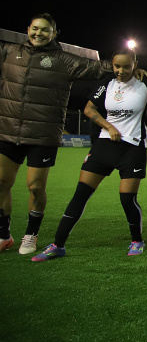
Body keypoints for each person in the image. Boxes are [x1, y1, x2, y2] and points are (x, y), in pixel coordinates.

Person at [0, 14, 117, 255]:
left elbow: (97, 67)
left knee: (34, 186)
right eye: (35, 29)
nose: (38, 34)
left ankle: (30, 235)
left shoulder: (64, 60)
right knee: (1, 183)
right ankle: (3, 234)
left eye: (45, 30)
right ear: (28, 29)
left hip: (42, 134)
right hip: (8, 130)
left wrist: (126, 66)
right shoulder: (10, 51)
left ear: (54, 34)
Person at [31, 49, 147, 260]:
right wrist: (109, 127)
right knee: (80, 195)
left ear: (134, 64)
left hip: (132, 147)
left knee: (127, 198)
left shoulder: (145, 81)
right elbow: (89, 110)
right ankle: (57, 245)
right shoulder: (106, 84)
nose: (120, 70)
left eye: (126, 66)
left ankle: (137, 240)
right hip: (104, 145)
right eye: (117, 66)